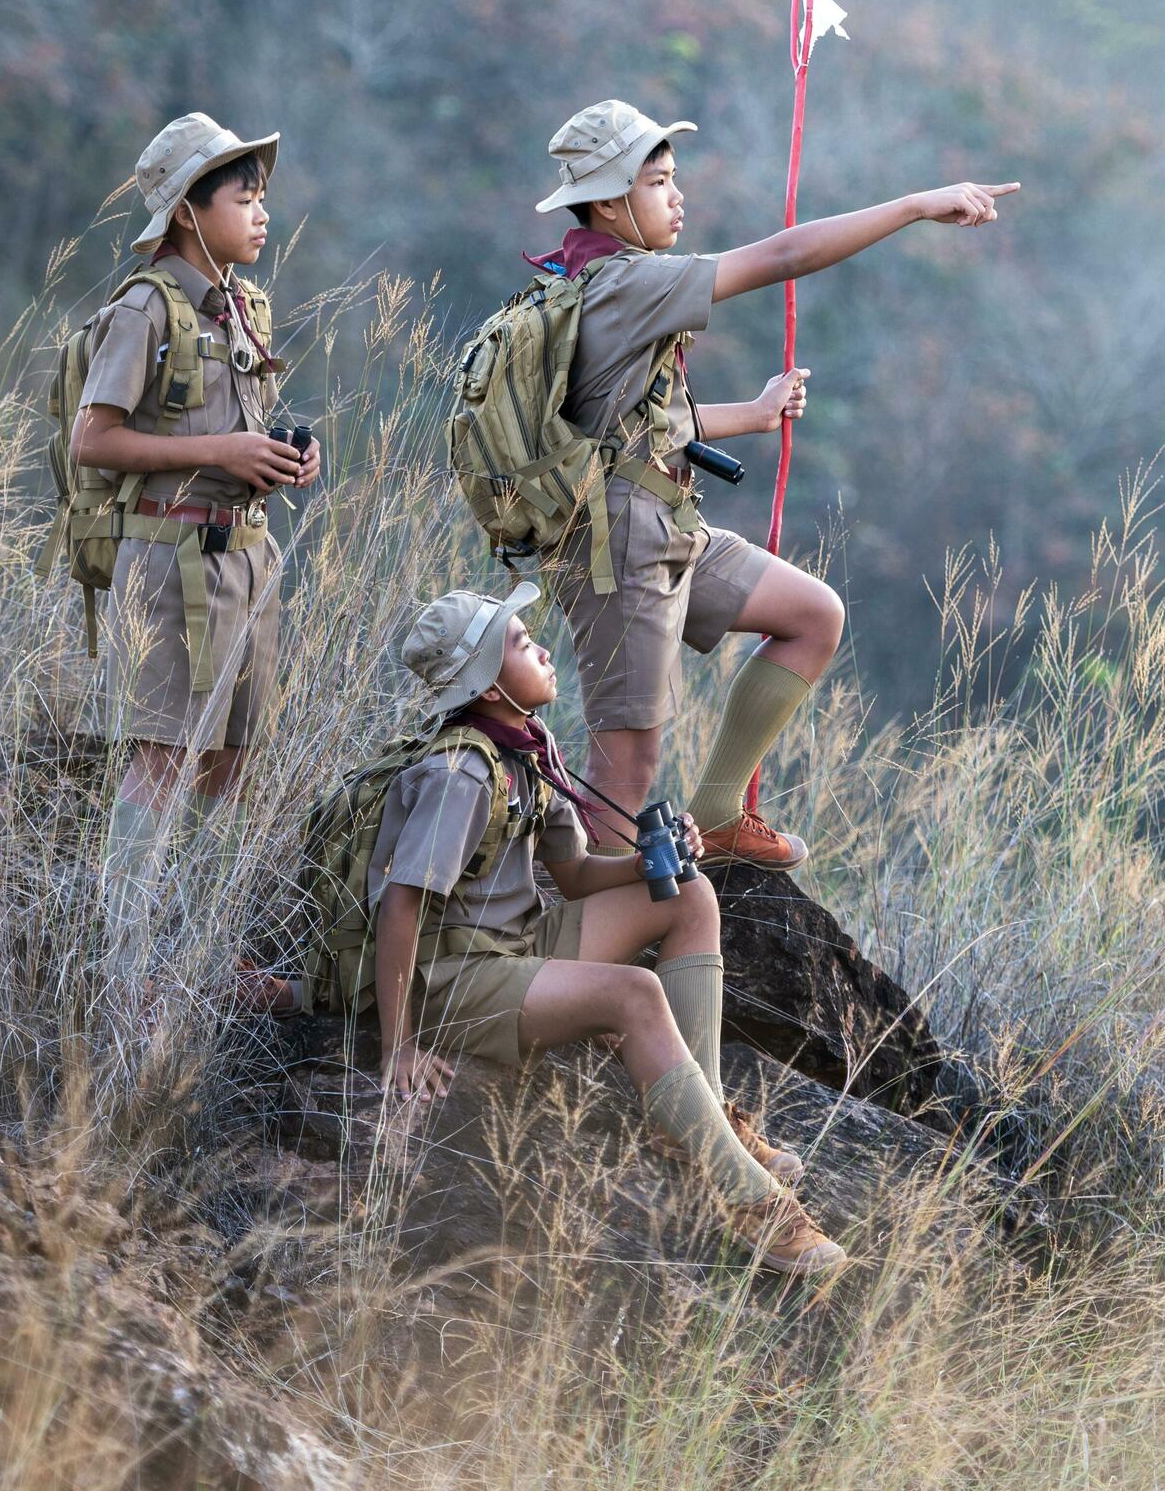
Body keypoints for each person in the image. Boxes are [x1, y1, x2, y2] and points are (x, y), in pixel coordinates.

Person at [525, 98, 1018, 868]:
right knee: (627, 767)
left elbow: (624, 426)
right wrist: (917, 205)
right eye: (658, 183)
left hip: (662, 518)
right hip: (615, 543)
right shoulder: (622, 283)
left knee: (811, 616)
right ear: (611, 202)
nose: (677, 197)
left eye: (672, 178)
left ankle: (717, 812)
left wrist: (750, 417)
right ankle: (585, 936)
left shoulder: (601, 276)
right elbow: (784, 256)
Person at [346, 582, 846, 1277]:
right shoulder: (460, 774)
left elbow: (576, 874)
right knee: (635, 994)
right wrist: (399, 1046)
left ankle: (697, 1124)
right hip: (457, 983)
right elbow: (401, 906)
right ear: (489, 684)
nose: (541, 647)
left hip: (519, 946)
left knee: (689, 896)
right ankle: (747, 1202)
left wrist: (650, 859)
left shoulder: (527, 745)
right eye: (520, 644)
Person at [69, 112, 322, 1018]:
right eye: (243, 199)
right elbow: (93, 439)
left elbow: (229, 438)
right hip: (169, 557)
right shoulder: (145, 308)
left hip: (245, 558)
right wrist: (220, 448)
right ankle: (126, 970)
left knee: (231, 767)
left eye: (261, 198)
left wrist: (276, 459)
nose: (261, 215)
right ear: (187, 211)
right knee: (161, 765)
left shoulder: (244, 310)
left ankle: (203, 953)